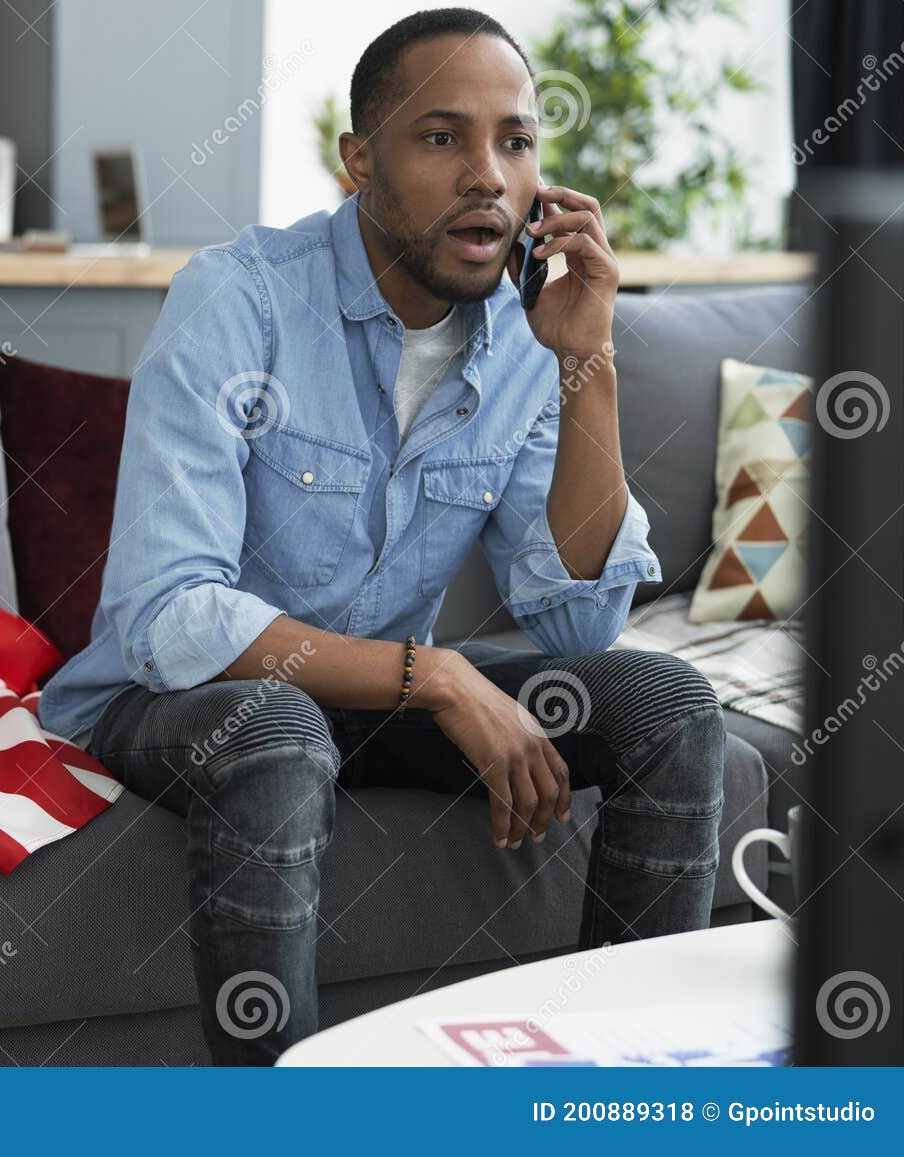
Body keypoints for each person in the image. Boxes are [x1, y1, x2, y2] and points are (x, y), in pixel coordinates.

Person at [37, 7, 727, 1065]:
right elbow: (167, 613)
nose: (487, 175)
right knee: (278, 726)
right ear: (360, 159)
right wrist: (437, 674)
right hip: (175, 701)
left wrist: (586, 362)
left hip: (368, 703)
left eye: (516, 141)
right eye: (442, 137)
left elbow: (578, 623)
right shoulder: (241, 299)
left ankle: (621, 1098)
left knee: (669, 704)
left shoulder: (528, 337)